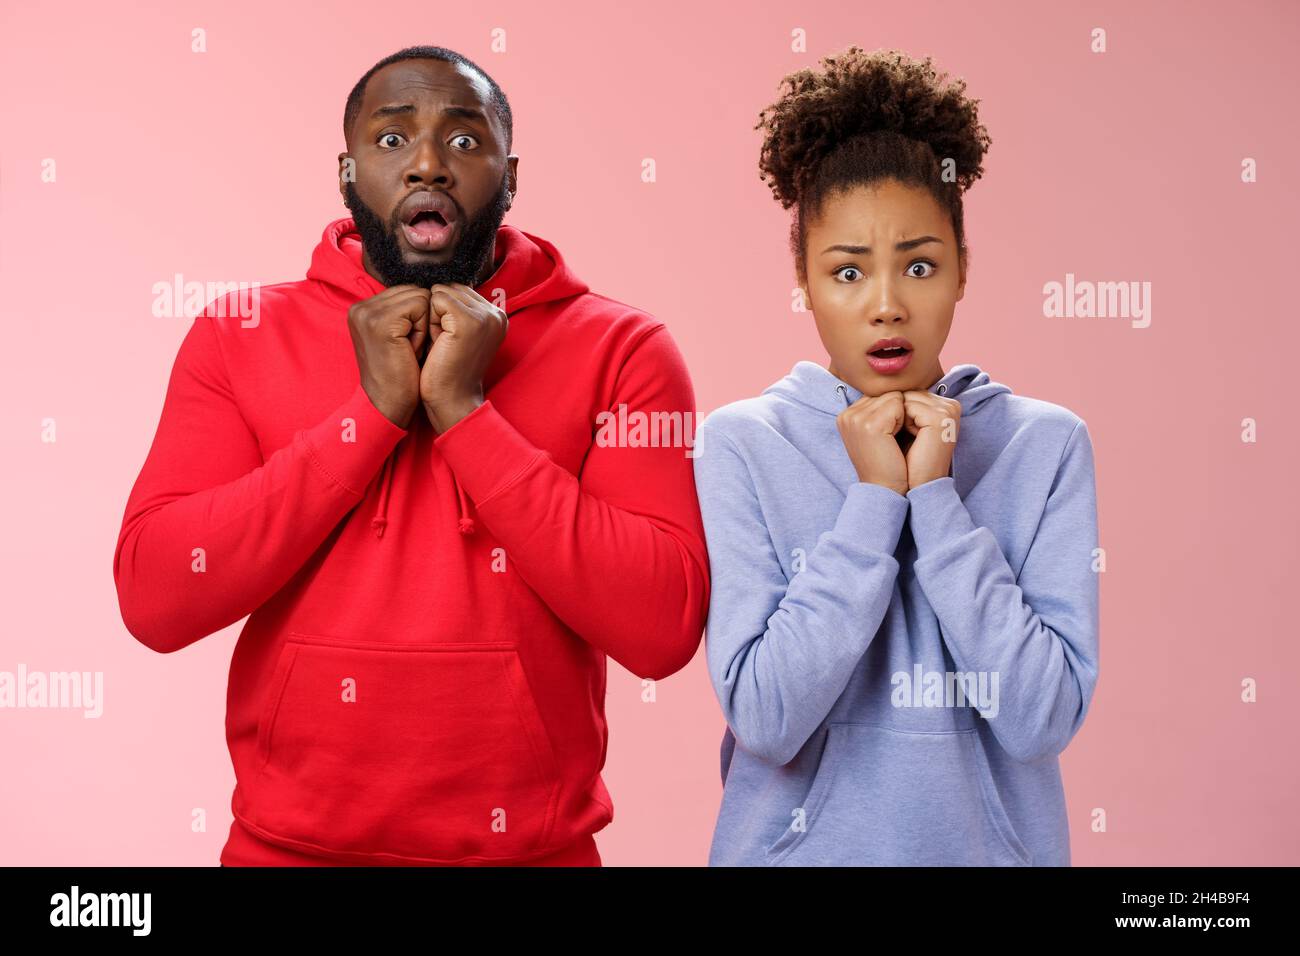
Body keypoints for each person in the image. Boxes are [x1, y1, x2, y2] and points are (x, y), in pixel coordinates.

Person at [113, 45, 710, 867]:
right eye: (392, 140)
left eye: (465, 141)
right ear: (347, 171)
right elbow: (155, 600)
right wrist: (372, 413)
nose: (428, 163)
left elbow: (660, 629)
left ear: (511, 176)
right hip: (284, 854)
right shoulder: (238, 333)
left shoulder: (623, 347)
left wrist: (465, 412)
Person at [694, 47, 1099, 866]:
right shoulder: (743, 442)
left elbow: (1040, 718)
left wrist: (938, 503)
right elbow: (767, 717)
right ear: (803, 280)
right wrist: (875, 503)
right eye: (846, 271)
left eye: (919, 265)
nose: (886, 304)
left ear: (962, 270)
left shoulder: (1043, 443)